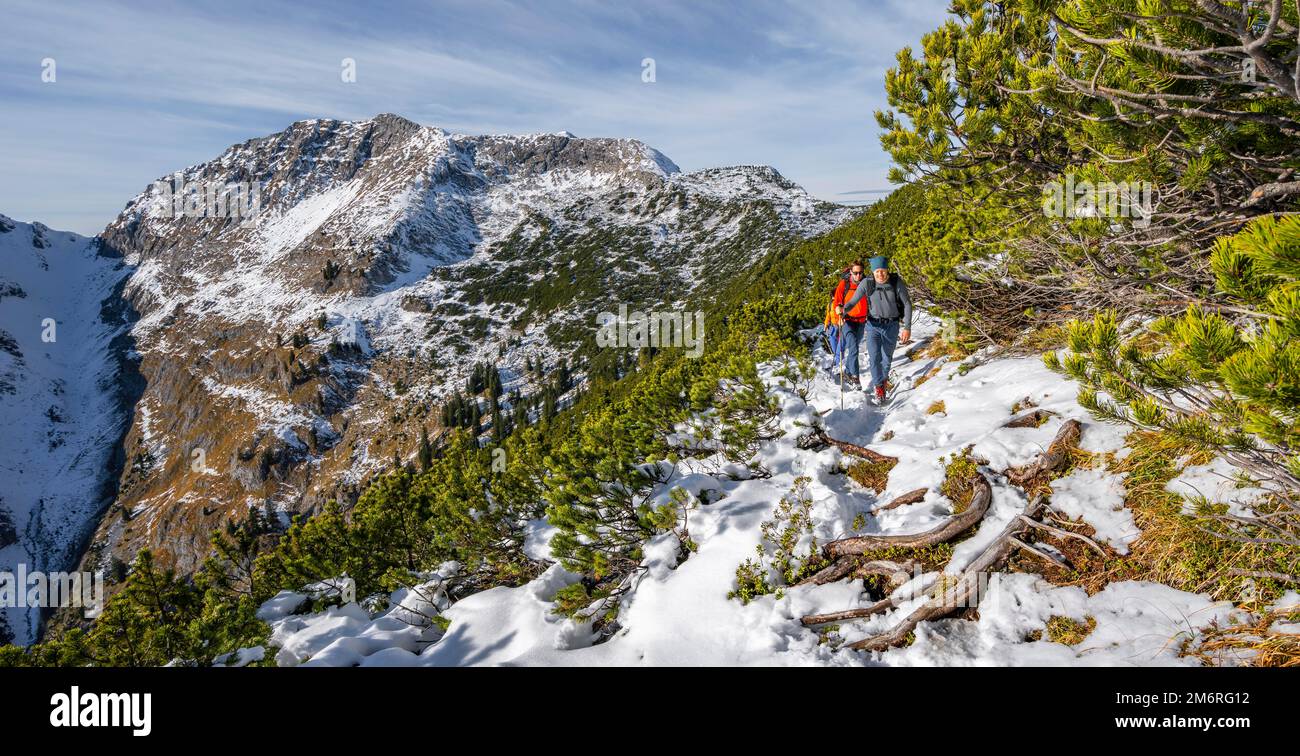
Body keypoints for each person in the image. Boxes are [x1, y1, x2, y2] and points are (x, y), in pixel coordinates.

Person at [837, 255, 912, 404]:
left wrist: (907, 327)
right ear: (873, 272)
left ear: (887, 270)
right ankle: (878, 387)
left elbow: (907, 304)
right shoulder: (867, 283)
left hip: (892, 325)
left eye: (883, 270)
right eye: (877, 271)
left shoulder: (896, 282)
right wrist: (843, 311)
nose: (880, 274)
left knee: (886, 358)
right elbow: (853, 302)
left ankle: (883, 381)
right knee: (874, 358)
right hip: (873, 326)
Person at [830, 261, 870, 390]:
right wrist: (838, 317)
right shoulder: (844, 284)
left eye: (860, 273)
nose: (858, 275)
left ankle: (847, 371)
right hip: (847, 320)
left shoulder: (867, 282)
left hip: (861, 321)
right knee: (853, 348)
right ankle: (855, 377)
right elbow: (837, 302)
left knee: (854, 347)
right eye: (855, 273)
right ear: (851, 272)